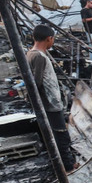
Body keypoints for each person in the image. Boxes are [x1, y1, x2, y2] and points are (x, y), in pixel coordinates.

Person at [26, 25, 77, 170]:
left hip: (48, 103)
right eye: (52, 39)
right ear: (49, 39)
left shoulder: (30, 54)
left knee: (56, 134)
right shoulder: (39, 57)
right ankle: (68, 166)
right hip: (50, 103)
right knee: (61, 135)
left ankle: (62, 163)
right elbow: (36, 83)